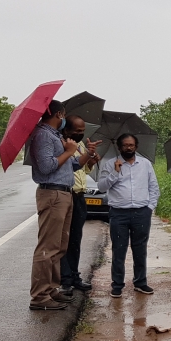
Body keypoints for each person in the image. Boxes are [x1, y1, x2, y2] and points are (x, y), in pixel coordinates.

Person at [28, 100, 95, 311]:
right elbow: (47, 166)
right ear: (59, 114)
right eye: (64, 115)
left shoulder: (55, 135)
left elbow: (72, 165)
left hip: (65, 193)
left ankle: (51, 288)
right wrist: (68, 151)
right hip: (52, 193)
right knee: (47, 247)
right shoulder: (43, 135)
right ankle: (39, 296)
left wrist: (87, 153)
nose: (64, 118)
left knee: (59, 246)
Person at [96, 133, 160, 297]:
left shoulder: (145, 164)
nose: (128, 148)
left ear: (136, 147)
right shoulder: (110, 164)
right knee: (119, 250)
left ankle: (140, 282)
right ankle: (117, 284)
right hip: (118, 214)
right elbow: (102, 187)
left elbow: (154, 187)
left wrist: (150, 208)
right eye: (125, 145)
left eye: (131, 145)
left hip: (141, 213)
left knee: (140, 249)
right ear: (119, 147)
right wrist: (115, 172)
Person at [60, 116, 100, 293]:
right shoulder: (62, 144)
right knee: (63, 240)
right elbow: (67, 167)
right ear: (66, 130)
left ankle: (75, 276)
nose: (80, 134)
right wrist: (80, 154)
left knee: (75, 239)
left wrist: (90, 159)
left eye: (82, 131)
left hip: (80, 196)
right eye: (77, 131)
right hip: (67, 194)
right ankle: (65, 279)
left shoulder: (81, 144)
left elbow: (84, 170)